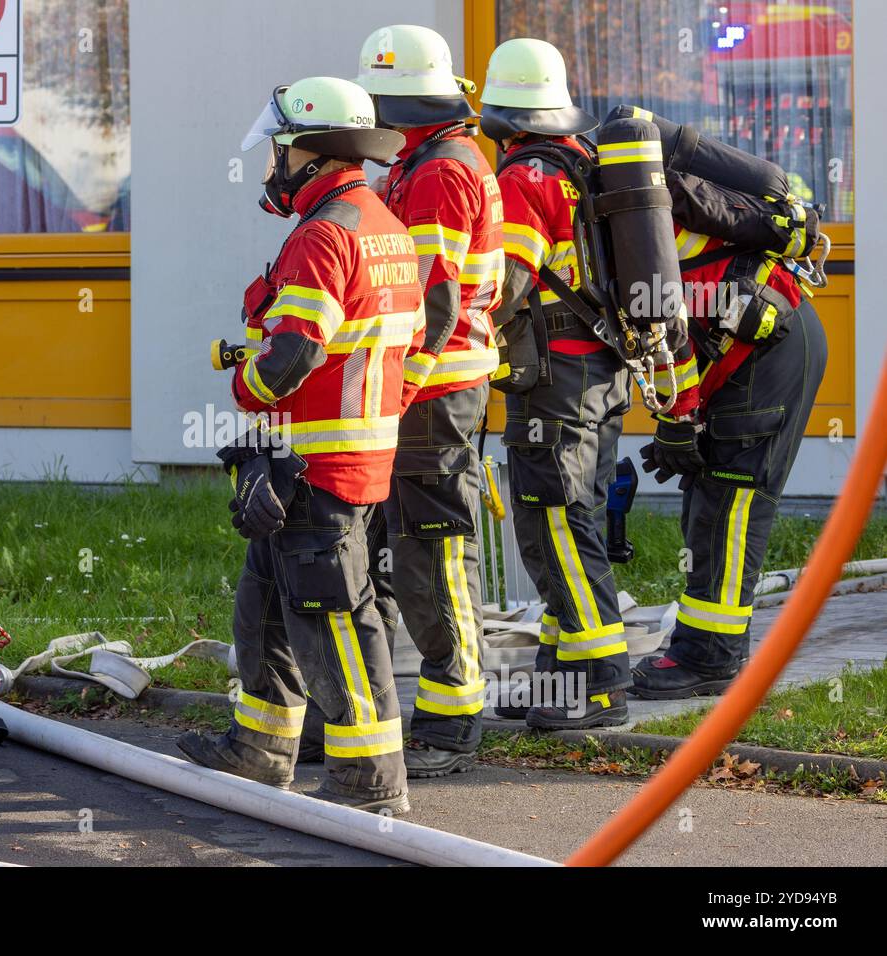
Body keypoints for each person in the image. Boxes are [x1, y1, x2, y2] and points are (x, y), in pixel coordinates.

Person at [177, 77, 426, 813]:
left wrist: (246, 386)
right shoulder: (383, 225)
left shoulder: (325, 234)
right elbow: (408, 351)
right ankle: (259, 748)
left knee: (334, 620)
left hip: (319, 467)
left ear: (310, 155)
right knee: (265, 606)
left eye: (278, 153)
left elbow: (288, 358)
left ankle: (369, 781)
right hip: (326, 461)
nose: (271, 169)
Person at [353, 24, 504, 775]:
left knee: (436, 553)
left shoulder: (441, 170)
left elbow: (434, 297)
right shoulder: (428, 160)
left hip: (434, 394)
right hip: (432, 389)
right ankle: (417, 707)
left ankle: (454, 716)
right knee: (404, 551)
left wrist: (397, 385)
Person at [632, 152, 828, 699]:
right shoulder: (631, 206)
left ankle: (711, 658)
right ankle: (702, 643)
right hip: (753, 344)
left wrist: (677, 417)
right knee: (707, 500)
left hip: (768, 353)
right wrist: (683, 419)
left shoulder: (627, 226)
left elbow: (665, 331)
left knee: (731, 504)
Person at [479, 38, 633, 729]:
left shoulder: (523, 177)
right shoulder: (586, 164)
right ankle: (556, 682)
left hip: (554, 380)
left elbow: (507, 282)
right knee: (576, 522)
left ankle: (600, 685)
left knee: (556, 527)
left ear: (504, 115)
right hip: (600, 372)